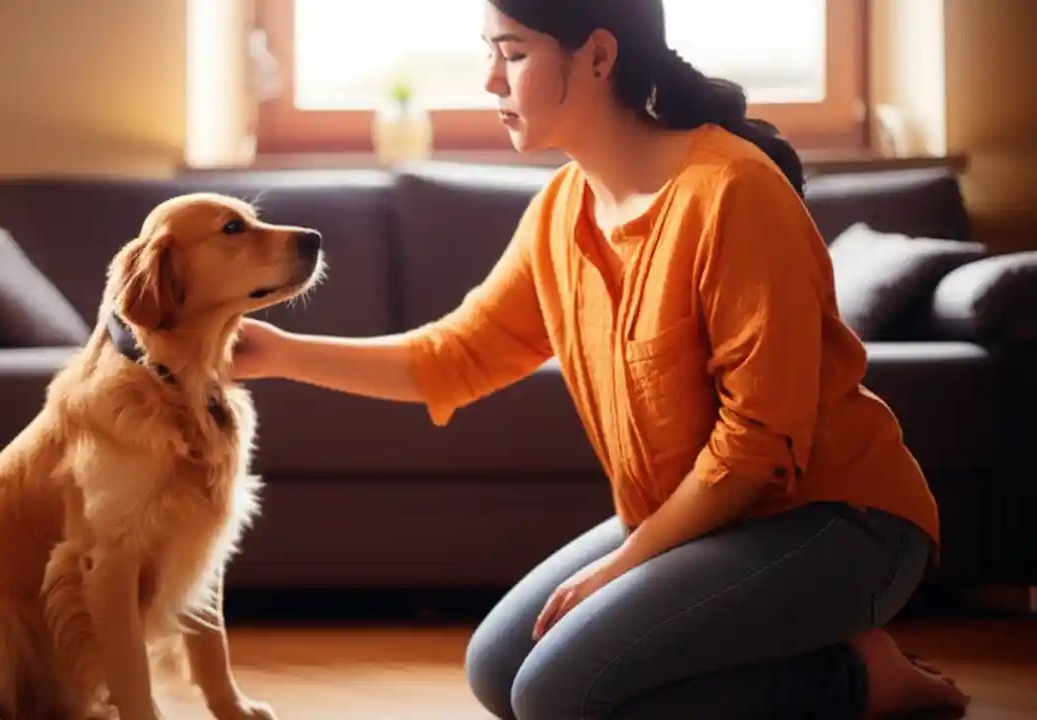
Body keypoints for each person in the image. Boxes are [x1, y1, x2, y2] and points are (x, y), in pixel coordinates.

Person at [232, 1, 970, 718]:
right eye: (488, 52)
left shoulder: (732, 194)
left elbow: (754, 451)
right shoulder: (563, 209)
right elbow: (449, 359)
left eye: (513, 54)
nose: (490, 80)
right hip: (706, 519)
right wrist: (275, 352)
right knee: (499, 670)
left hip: (835, 522)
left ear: (597, 56)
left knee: (558, 695)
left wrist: (622, 565)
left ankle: (858, 680)